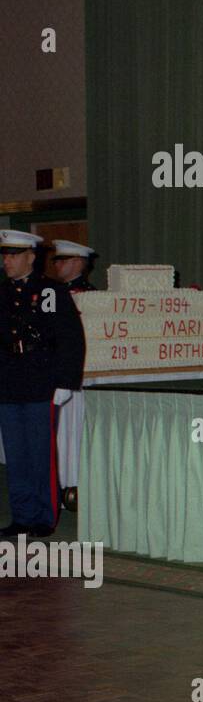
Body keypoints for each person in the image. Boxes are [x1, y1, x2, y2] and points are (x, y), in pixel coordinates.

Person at [0, 231, 85, 538]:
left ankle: (44, 517)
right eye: (4, 255)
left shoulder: (50, 291)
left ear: (31, 258)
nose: (6, 261)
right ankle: (21, 515)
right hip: (9, 380)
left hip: (41, 380)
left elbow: (70, 339)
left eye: (13, 255)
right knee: (16, 454)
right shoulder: (3, 292)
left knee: (40, 453)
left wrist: (65, 382)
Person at [50, 240, 96, 507]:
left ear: (79, 262)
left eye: (63, 260)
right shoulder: (52, 293)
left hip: (76, 371)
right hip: (56, 370)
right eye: (57, 260)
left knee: (72, 431)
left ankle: (72, 484)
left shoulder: (87, 295)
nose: (57, 264)